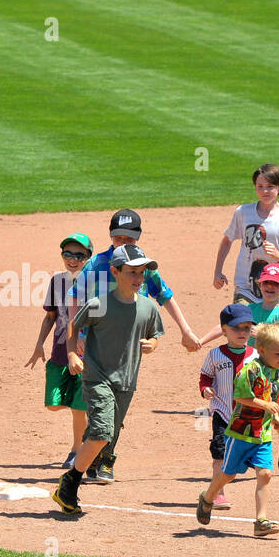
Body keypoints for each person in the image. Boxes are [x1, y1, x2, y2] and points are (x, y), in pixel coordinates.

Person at [67, 209, 198, 482]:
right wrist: (77, 338)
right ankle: (102, 458)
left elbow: (165, 296)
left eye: (130, 238)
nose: (124, 242)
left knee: (116, 406)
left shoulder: (143, 266)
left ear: (138, 238)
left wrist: (185, 330)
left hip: (127, 349)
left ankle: (98, 452)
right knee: (102, 402)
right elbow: (76, 298)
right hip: (96, 343)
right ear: (110, 237)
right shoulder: (96, 265)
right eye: (118, 238)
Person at [53, 244, 164, 515]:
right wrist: (71, 355)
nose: (138, 278)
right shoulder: (98, 305)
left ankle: (75, 478)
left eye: (141, 273)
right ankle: (70, 483)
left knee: (105, 435)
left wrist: (152, 344)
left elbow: (154, 336)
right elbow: (73, 326)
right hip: (96, 377)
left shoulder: (148, 308)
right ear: (115, 271)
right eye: (132, 272)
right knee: (102, 431)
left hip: (126, 382)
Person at [196, 323, 279, 538]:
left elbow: (273, 398)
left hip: (263, 434)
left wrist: (275, 415)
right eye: (278, 354)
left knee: (265, 474)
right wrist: (265, 406)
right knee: (228, 475)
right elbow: (240, 397)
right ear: (262, 351)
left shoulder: (277, 373)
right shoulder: (249, 371)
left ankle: (261, 521)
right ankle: (208, 497)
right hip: (240, 433)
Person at [26, 233, 94, 468]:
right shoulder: (57, 282)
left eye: (79, 255)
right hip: (59, 352)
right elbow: (50, 317)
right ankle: (89, 417)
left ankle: (77, 450)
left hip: (85, 356)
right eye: (68, 254)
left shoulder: (96, 282)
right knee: (53, 404)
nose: (73, 259)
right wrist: (38, 345)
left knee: (77, 408)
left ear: (88, 258)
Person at [213, 164, 279, 305]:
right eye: (260, 186)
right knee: (241, 326)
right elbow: (227, 241)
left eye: (269, 186)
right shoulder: (243, 212)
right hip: (245, 288)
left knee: (272, 328)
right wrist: (218, 271)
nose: (264, 191)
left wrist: (277, 254)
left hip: (277, 288)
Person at [197, 304, 259, 511]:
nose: (242, 333)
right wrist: (205, 389)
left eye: (246, 328)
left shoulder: (256, 356)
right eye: (236, 328)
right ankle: (218, 495)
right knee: (219, 453)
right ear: (224, 330)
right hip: (222, 412)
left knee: (250, 454)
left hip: (247, 415)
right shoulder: (215, 355)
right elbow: (205, 377)